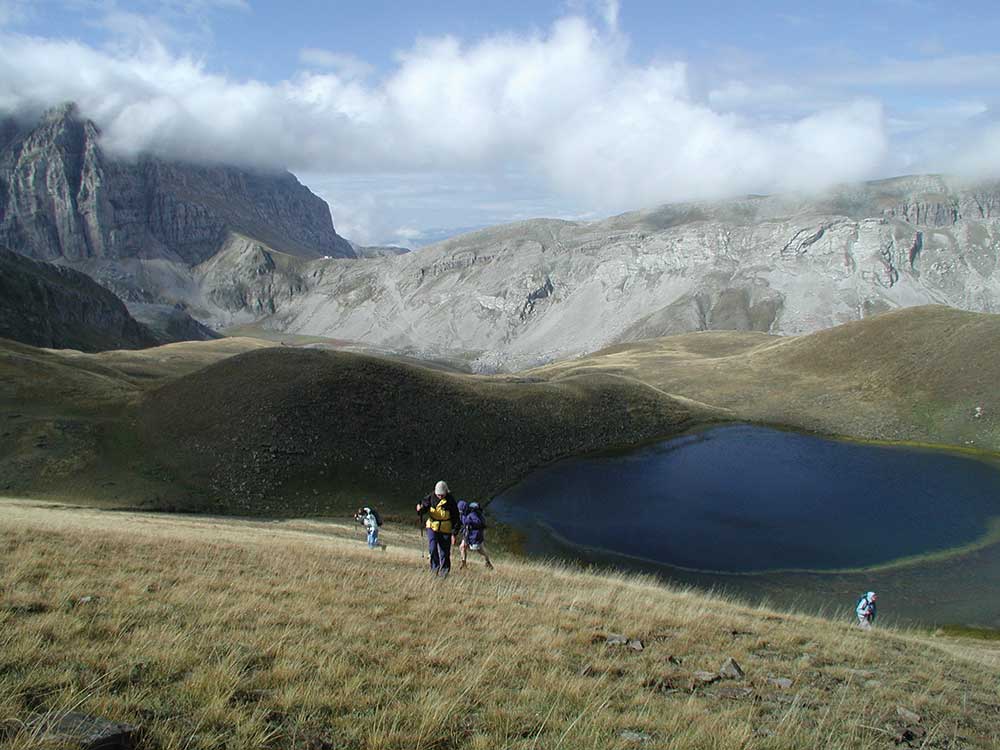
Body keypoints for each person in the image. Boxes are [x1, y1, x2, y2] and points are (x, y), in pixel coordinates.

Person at [417, 480, 461, 578]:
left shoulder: (451, 501)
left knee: (444, 552)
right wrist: (420, 509)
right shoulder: (430, 497)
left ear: (446, 492)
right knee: (432, 548)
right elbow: (424, 507)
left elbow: (456, 518)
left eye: (442, 495)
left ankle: (444, 573)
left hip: (446, 529)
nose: (440, 496)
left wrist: (454, 533)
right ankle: (434, 569)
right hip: (432, 526)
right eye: (438, 495)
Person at [459, 501, 494, 570]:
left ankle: (487, 561)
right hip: (468, 533)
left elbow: (477, 522)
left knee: (479, 550)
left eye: (461, 511)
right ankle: (464, 564)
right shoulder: (464, 514)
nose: (460, 512)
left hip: (475, 535)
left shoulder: (473, 514)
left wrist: (467, 521)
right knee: (462, 547)